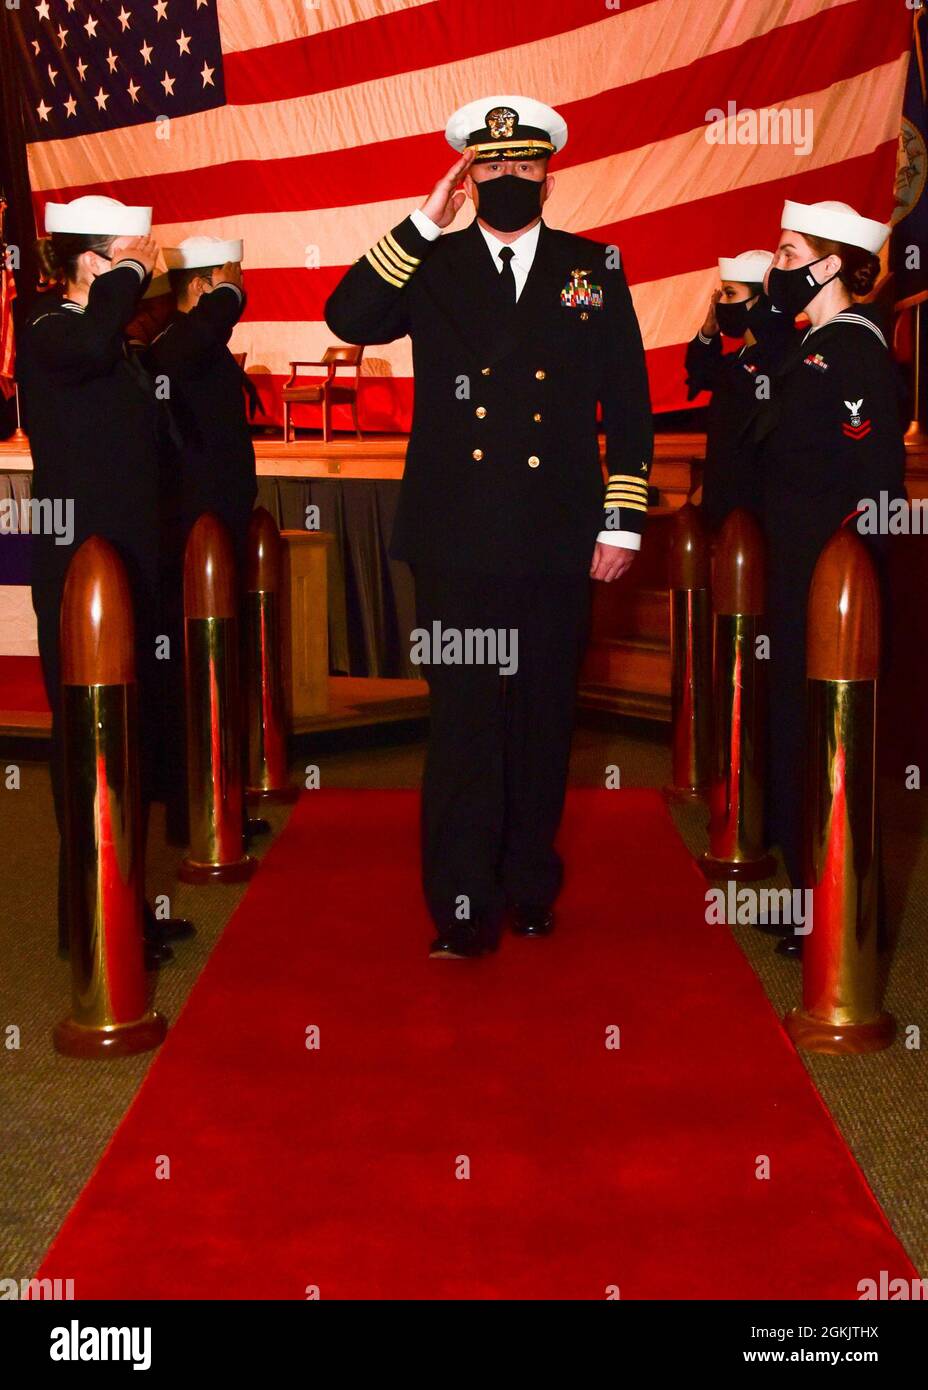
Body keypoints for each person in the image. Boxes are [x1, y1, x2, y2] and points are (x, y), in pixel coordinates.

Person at [325, 96, 653, 958]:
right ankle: (462, 908)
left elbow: (627, 402)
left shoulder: (594, 267)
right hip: (457, 539)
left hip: (557, 535)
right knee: (465, 721)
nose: (508, 178)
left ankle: (528, 882)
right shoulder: (431, 262)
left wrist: (622, 520)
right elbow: (347, 318)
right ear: (468, 176)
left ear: (550, 170)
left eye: (524, 164)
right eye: (490, 166)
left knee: (544, 717)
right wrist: (419, 224)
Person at [17, 195, 191, 962]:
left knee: (132, 743)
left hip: (129, 568)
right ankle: (88, 926)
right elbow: (87, 346)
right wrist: (128, 272)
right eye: (126, 252)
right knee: (89, 748)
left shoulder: (114, 342)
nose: (144, 262)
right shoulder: (49, 329)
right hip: (78, 572)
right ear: (90, 260)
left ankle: (129, 910)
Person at [754, 199, 906, 944]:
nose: (774, 269)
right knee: (792, 729)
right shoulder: (810, 345)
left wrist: (848, 575)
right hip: (794, 569)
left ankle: (833, 904)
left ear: (831, 264)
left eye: (787, 254)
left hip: (827, 577)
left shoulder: (855, 352)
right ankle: (806, 887)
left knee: (822, 738)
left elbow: (875, 481)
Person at [141, 235, 258, 844]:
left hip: (223, 531)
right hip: (192, 544)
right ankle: (193, 807)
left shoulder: (200, 345)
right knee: (192, 679)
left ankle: (223, 794)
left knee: (223, 672)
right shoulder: (173, 345)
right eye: (227, 284)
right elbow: (185, 348)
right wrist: (227, 293)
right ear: (198, 289)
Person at [684, 251, 796, 528]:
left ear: (759, 301)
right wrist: (708, 333)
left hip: (757, 511)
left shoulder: (784, 356)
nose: (721, 303)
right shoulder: (741, 357)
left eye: (731, 294)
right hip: (725, 503)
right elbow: (702, 374)